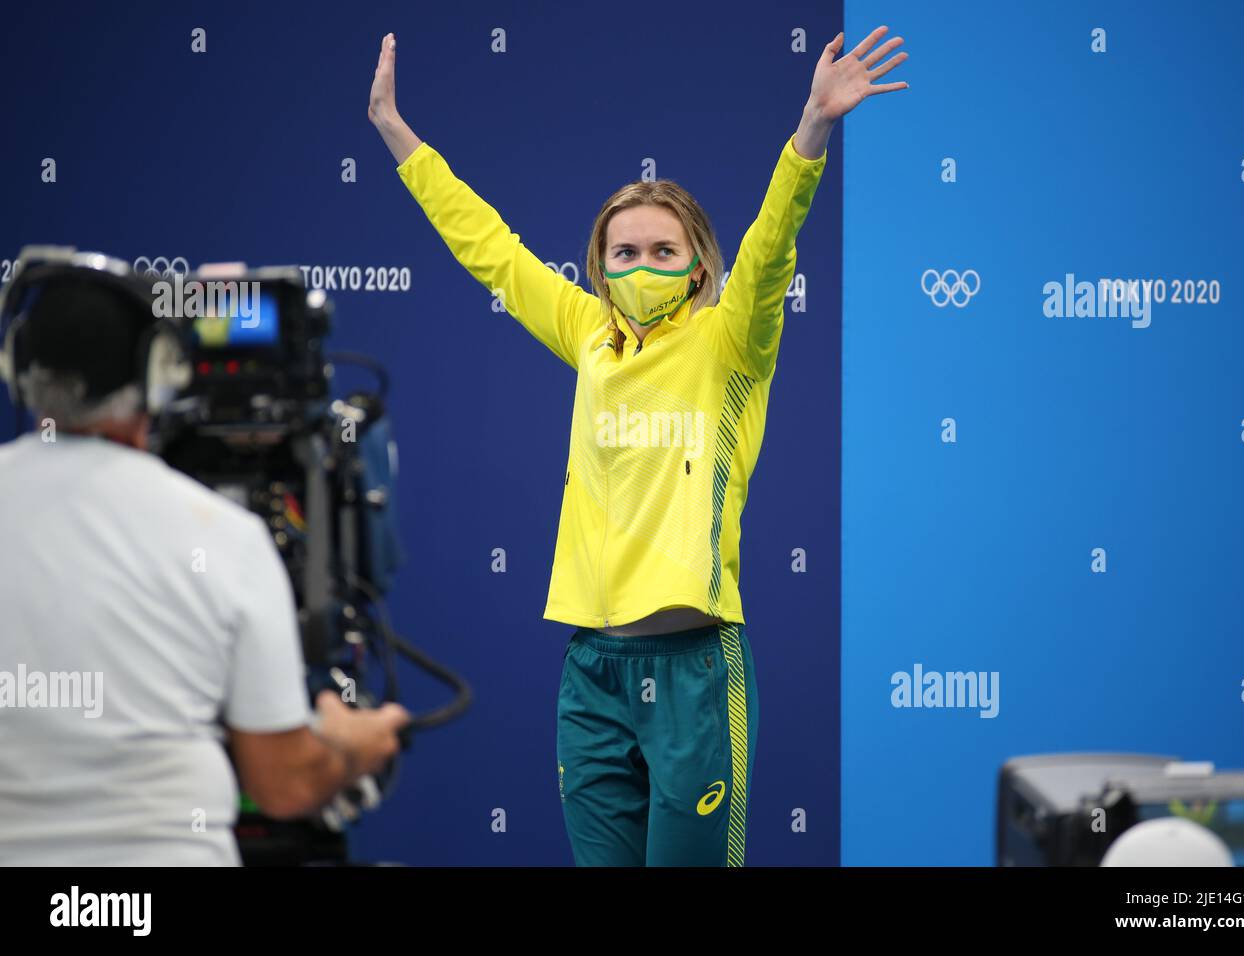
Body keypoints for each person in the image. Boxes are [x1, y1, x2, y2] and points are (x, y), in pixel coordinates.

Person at [367, 26, 907, 866]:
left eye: (663, 250)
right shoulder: (588, 334)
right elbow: (494, 254)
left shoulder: (733, 339)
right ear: (600, 265)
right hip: (593, 669)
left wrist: (812, 132)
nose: (642, 264)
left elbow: (770, 250)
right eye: (625, 252)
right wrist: (401, 138)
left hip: (697, 667)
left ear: (697, 267)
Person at [0, 265, 410, 865]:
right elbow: (286, 784)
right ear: (160, 371)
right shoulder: (223, 538)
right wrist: (354, 747)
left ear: (18, 366)